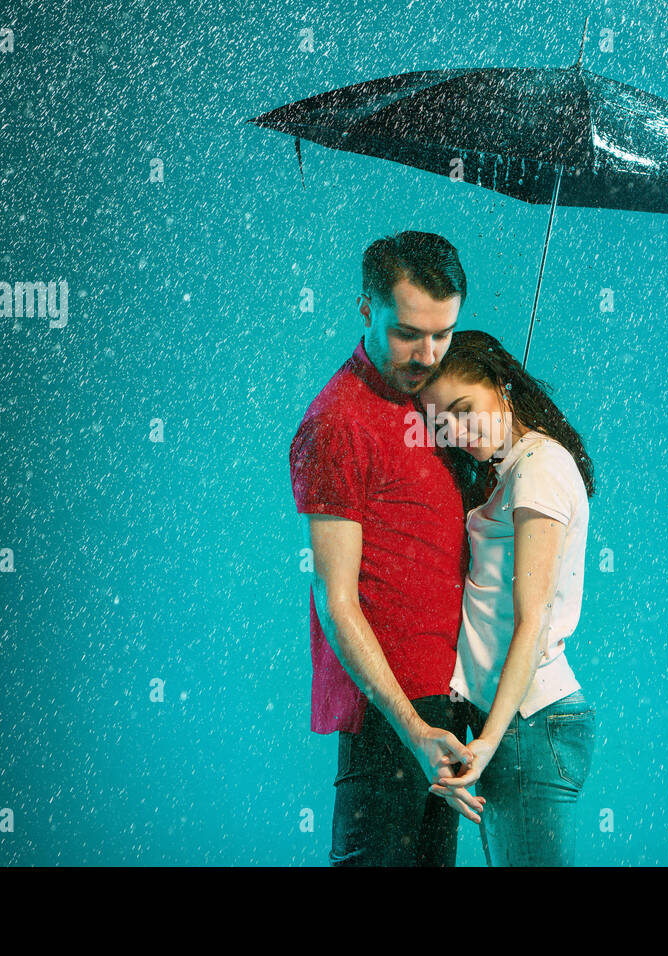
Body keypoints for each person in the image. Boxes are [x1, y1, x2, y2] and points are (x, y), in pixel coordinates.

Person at [289, 230, 485, 866]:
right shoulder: (337, 423)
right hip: (390, 718)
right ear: (366, 307)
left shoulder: (437, 404)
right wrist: (414, 730)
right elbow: (336, 601)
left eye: (443, 333)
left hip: (448, 705)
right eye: (407, 333)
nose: (427, 353)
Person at [417, 330, 597, 866]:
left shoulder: (538, 468)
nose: (455, 429)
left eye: (463, 408)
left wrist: (489, 740)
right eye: (441, 422)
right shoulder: (514, 468)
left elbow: (532, 620)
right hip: (517, 723)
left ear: (500, 384)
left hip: (527, 723)